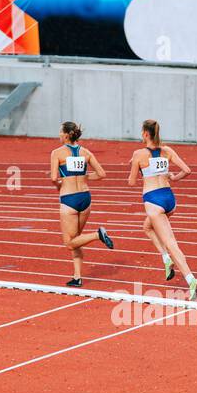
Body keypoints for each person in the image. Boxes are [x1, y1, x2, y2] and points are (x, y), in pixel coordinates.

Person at [127, 119, 197, 301]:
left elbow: (131, 182)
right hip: (169, 199)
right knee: (147, 227)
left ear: (145, 133)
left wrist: (134, 166)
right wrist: (173, 177)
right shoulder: (167, 151)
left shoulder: (138, 154)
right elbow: (187, 170)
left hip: (153, 200)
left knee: (171, 243)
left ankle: (190, 279)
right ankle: (166, 259)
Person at [49, 121, 113, 287]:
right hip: (85, 198)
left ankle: (97, 235)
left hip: (69, 199)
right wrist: (84, 178)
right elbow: (101, 174)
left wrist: (59, 184)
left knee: (69, 242)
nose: (58, 135)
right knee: (76, 239)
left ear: (66, 134)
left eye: (60, 132)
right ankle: (77, 277)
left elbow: (54, 178)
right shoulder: (86, 152)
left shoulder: (57, 153)